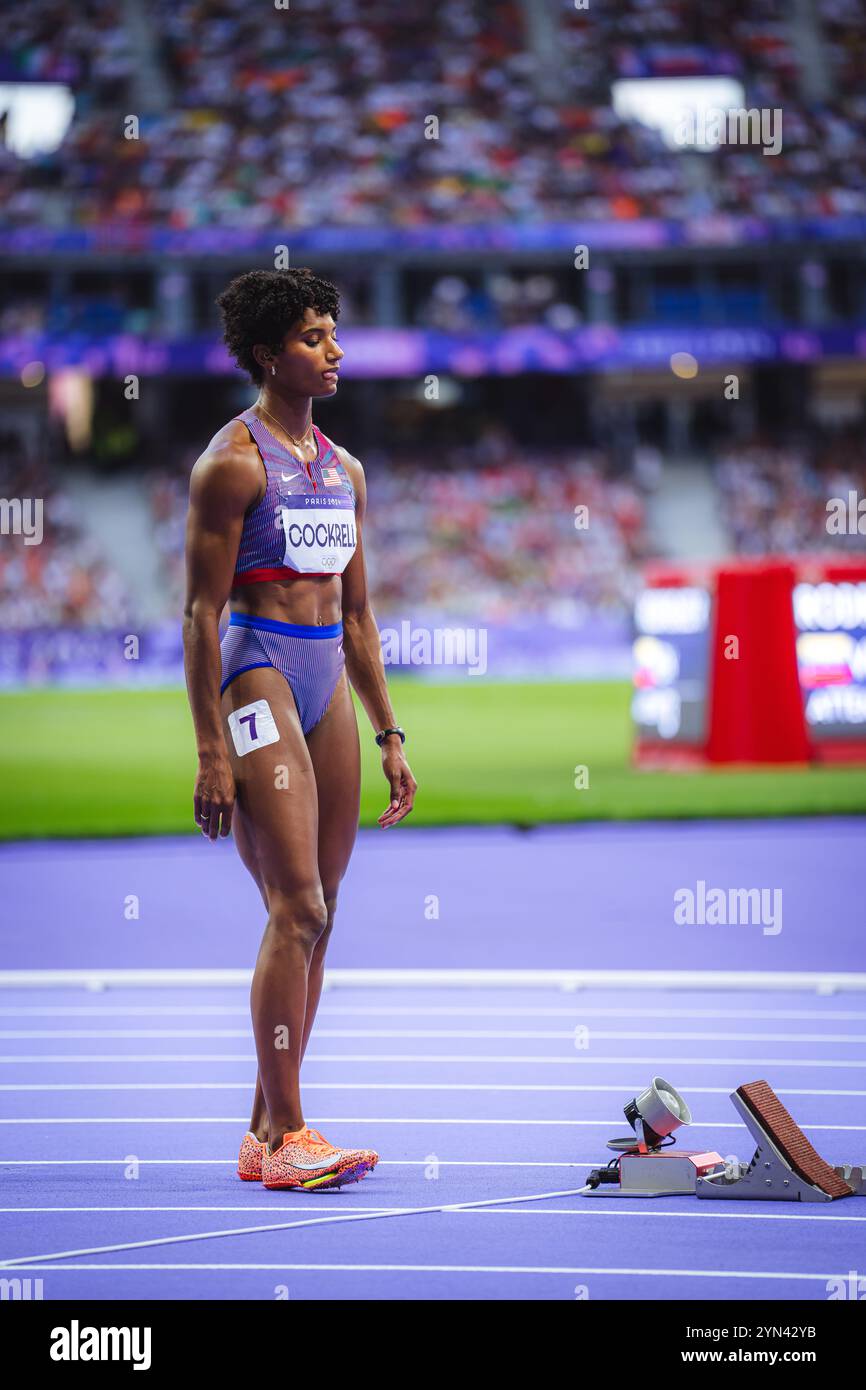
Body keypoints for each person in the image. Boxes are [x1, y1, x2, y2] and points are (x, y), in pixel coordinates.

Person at [182, 268, 417, 1190]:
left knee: (322, 916)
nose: (336, 351)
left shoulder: (346, 470)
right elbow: (201, 616)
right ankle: (291, 1138)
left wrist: (391, 732)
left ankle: (260, 1132)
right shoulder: (231, 464)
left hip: (327, 674)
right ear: (269, 353)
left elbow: (358, 617)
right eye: (317, 336)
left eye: (335, 334)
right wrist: (211, 750)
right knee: (300, 907)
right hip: (256, 671)